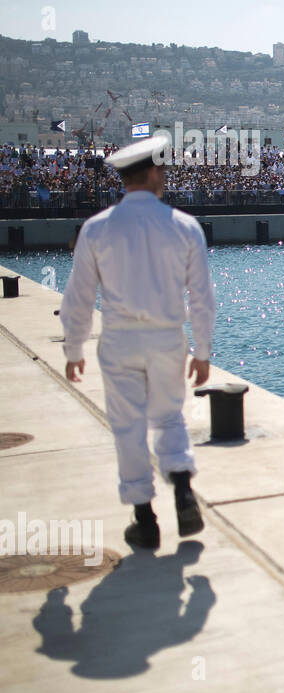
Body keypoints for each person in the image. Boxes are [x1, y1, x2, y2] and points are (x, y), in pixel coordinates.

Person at [61, 135, 216, 550]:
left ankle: (144, 520)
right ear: (150, 173)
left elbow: (77, 296)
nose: (164, 176)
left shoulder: (96, 230)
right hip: (167, 338)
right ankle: (183, 491)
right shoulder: (185, 227)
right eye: (162, 170)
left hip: (119, 340)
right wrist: (202, 351)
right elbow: (201, 297)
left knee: (127, 426)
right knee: (169, 417)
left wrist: (73, 348)